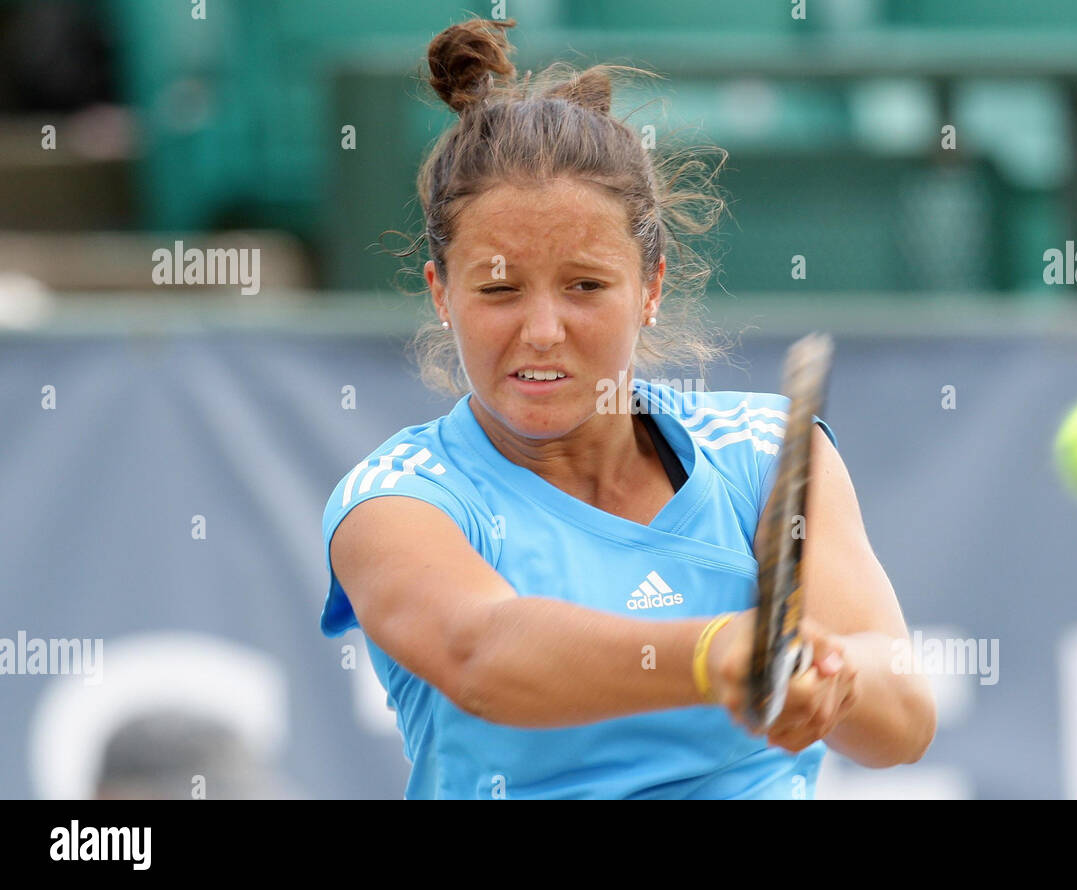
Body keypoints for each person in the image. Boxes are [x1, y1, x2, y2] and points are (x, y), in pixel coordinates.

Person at [320, 16, 934, 799]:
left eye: (586, 286)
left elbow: (904, 720)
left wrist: (831, 678)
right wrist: (717, 655)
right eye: (500, 289)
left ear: (650, 286)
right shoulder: (394, 501)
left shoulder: (767, 450)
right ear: (442, 293)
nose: (542, 332)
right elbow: (484, 653)